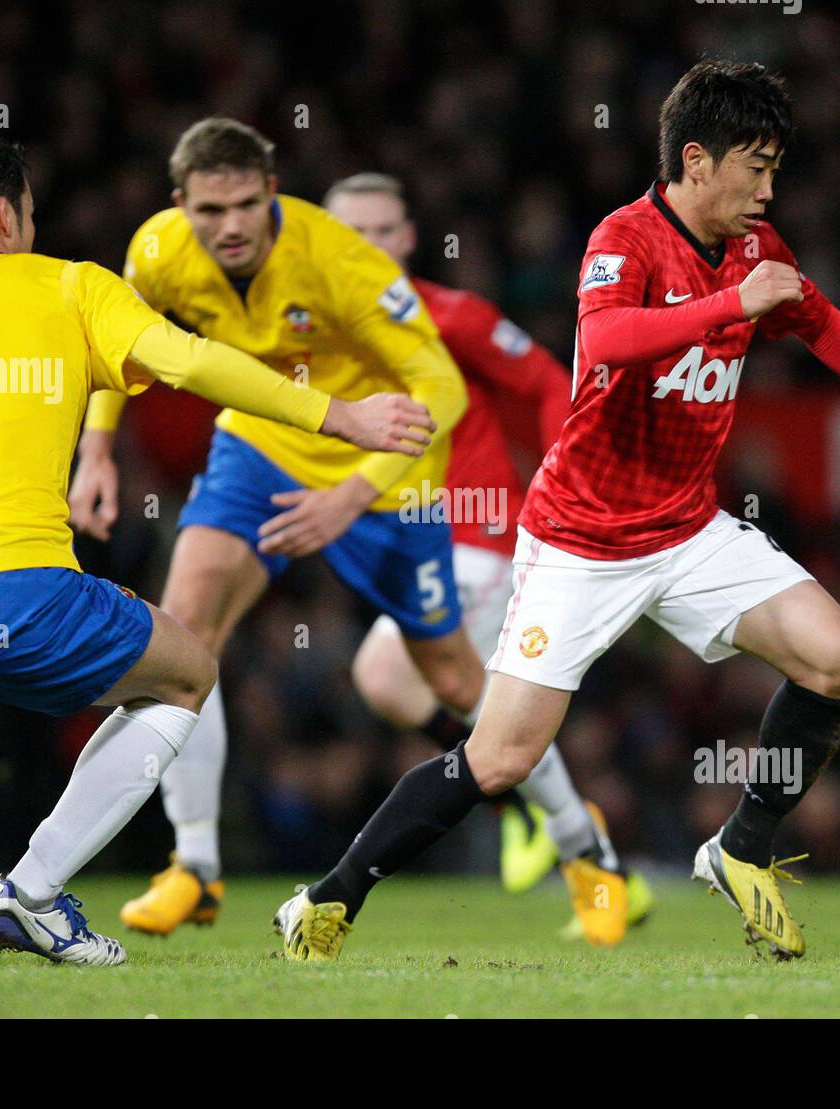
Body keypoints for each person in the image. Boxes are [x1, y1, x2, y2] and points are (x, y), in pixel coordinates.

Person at [273, 60, 840, 962]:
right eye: (757, 166)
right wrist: (729, 304)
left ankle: (740, 848)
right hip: (579, 540)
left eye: (777, 170)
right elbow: (607, 339)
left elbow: (820, 324)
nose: (769, 190)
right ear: (697, 160)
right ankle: (327, 899)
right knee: (498, 760)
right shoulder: (624, 237)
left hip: (689, 530)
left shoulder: (757, 250)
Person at [0, 120, 429, 966]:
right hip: (6, 586)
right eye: (26, 210)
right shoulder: (67, 286)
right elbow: (196, 363)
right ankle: (30, 891)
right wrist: (340, 415)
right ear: (2, 216)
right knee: (186, 672)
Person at [69, 118, 628, 942]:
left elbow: (440, 390)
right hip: (262, 442)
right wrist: (98, 446)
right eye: (209, 208)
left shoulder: (341, 264)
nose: (228, 226)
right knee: (182, 633)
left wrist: (346, 496)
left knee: (456, 684)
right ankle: (194, 866)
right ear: (180, 202)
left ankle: (586, 851)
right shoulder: (156, 250)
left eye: (246, 206)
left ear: (273, 197)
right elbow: (120, 341)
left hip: (385, 471)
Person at [325, 172, 652, 942]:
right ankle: (592, 863)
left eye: (383, 230)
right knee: (484, 712)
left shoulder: (451, 314)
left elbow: (546, 379)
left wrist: (560, 468)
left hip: (483, 536)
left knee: (384, 671)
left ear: (407, 239)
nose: (368, 245)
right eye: (352, 232)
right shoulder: (320, 337)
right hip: (414, 545)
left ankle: (537, 821)